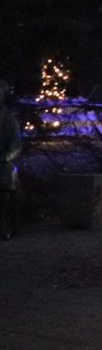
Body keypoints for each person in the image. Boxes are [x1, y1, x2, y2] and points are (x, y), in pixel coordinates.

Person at [0, 80, 24, 239]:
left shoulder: (9, 121)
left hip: (2, 164)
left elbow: (15, 145)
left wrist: (4, 157)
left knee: (5, 182)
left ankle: (4, 226)